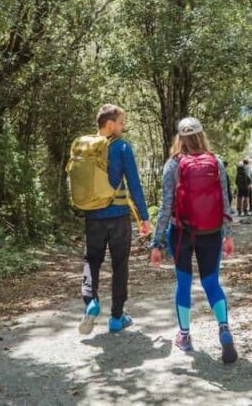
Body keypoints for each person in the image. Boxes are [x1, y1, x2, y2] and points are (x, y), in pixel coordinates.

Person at [149, 117, 238, 364]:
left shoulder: (173, 164)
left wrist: (156, 243)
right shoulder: (216, 161)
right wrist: (228, 234)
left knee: (184, 282)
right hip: (211, 232)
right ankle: (223, 328)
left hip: (181, 233)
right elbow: (226, 201)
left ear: (179, 138)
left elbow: (166, 206)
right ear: (202, 136)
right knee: (211, 282)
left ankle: (185, 336)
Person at [75, 104, 151, 335]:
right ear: (110, 124)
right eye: (121, 122)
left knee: (92, 261)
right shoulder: (122, 147)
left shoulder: (86, 147)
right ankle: (117, 317)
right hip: (118, 217)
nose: (123, 126)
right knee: (120, 265)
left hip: (93, 216)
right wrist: (144, 218)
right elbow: (134, 184)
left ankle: (91, 302)